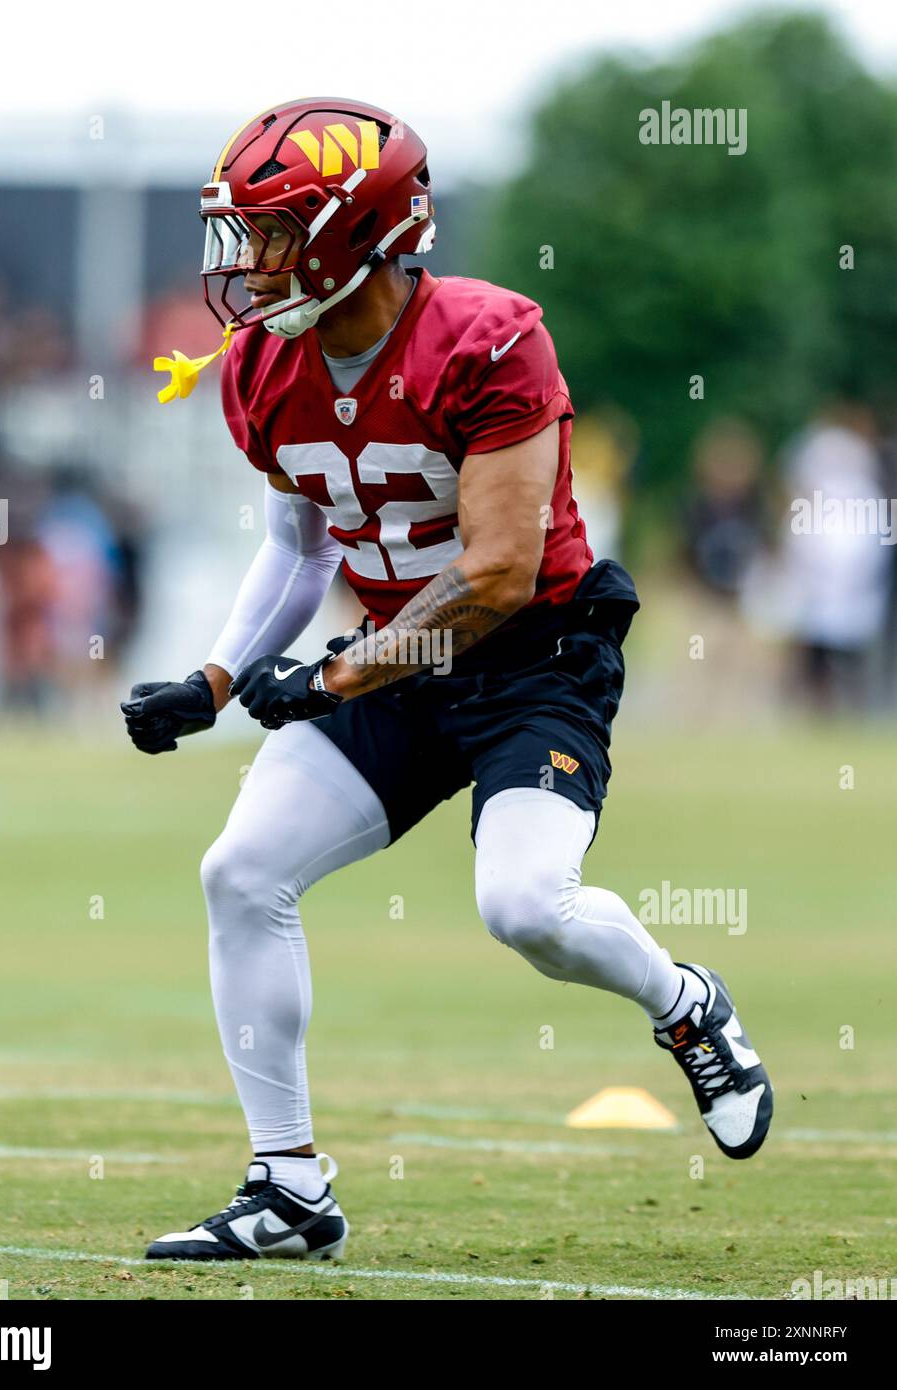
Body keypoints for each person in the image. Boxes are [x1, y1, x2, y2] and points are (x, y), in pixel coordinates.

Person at [121, 98, 772, 1263]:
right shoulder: (268, 369)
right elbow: (302, 542)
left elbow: (501, 575)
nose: (248, 264)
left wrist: (334, 672)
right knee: (241, 870)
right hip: (391, 665)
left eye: (272, 235)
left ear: (346, 234)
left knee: (523, 907)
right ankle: (289, 1189)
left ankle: (685, 1004)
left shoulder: (488, 338)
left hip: (531, 658)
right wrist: (215, 678)